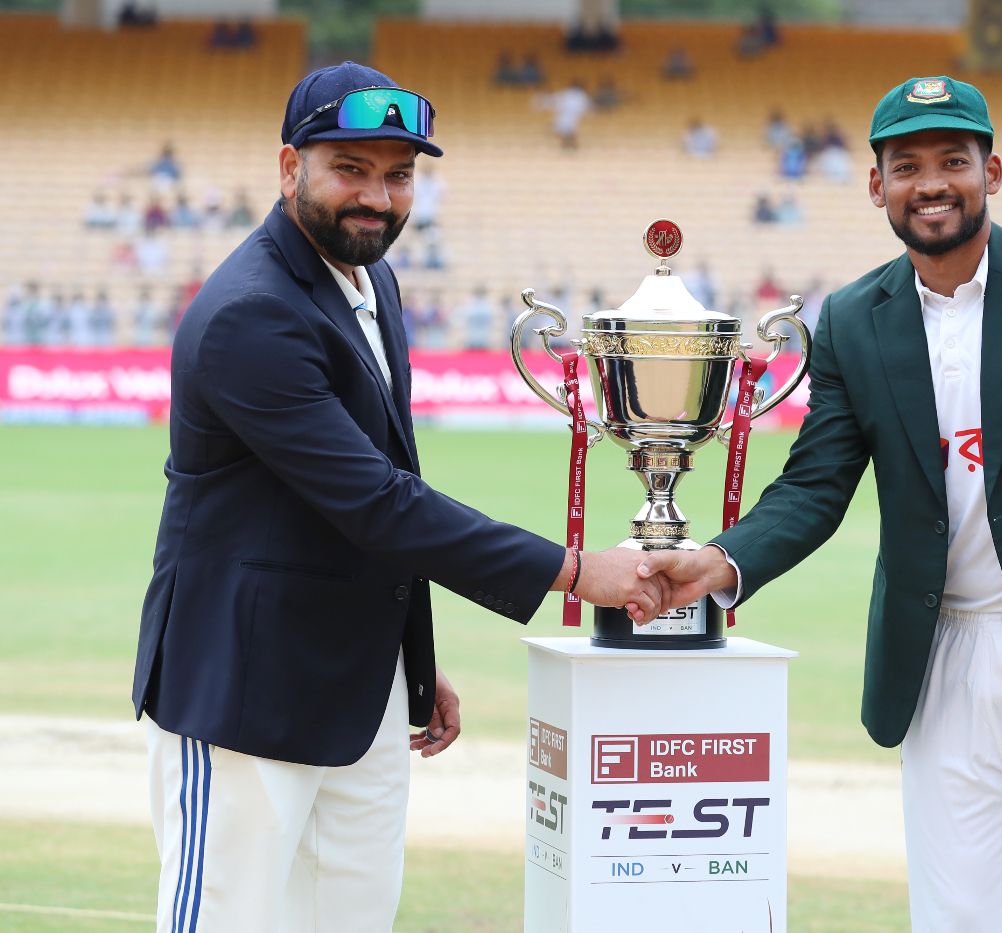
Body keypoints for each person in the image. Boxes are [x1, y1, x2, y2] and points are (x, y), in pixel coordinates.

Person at [640, 75, 1002, 932]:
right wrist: (715, 561)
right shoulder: (856, 318)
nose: (931, 183)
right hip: (937, 660)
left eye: (952, 161)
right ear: (877, 186)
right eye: (907, 166)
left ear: (991, 172)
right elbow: (817, 483)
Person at [133, 61, 665, 933]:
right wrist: (577, 571)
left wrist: (405, 657)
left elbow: (383, 488)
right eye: (351, 169)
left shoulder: (370, 279)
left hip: (360, 690)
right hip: (242, 695)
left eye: (399, 174)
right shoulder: (249, 313)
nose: (377, 198)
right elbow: (377, 502)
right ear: (289, 168)